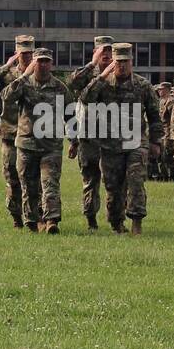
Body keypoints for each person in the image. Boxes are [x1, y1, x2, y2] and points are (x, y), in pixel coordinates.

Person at [78, 43, 163, 234]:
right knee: (113, 187)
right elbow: (85, 98)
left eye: (126, 62)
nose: (122, 66)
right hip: (110, 144)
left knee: (135, 180)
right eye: (118, 62)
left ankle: (136, 222)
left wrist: (156, 141)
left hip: (136, 142)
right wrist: (101, 76)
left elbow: (154, 115)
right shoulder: (104, 84)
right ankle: (117, 222)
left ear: (131, 62)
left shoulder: (142, 85)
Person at [1, 47, 69, 233]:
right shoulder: (24, 84)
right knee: (28, 186)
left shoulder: (59, 87)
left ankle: (51, 221)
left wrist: (75, 140)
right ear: (34, 63)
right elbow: (6, 96)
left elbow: (70, 113)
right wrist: (24, 76)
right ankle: (32, 221)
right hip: (27, 145)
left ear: (51, 64)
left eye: (47, 61)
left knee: (50, 184)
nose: (43, 65)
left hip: (51, 146)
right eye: (40, 61)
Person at [0, 34, 35, 227]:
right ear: (16, 54)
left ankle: (34, 218)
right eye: (22, 53)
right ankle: (16, 217)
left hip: (33, 135)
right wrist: (5, 66)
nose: (26, 57)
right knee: (12, 179)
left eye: (29, 53)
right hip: (10, 133)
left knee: (31, 179)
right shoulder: (7, 75)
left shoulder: (39, 73)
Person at [67, 36, 113, 227]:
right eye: (103, 52)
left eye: (110, 52)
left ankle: (115, 219)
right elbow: (72, 84)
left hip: (112, 136)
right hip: (88, 137)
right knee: (90, 180)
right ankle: (91, 218)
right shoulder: (86, 74)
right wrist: (73, 140)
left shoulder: (117, 73)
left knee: (114, 180)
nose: (107, 56)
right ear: (95, 52)